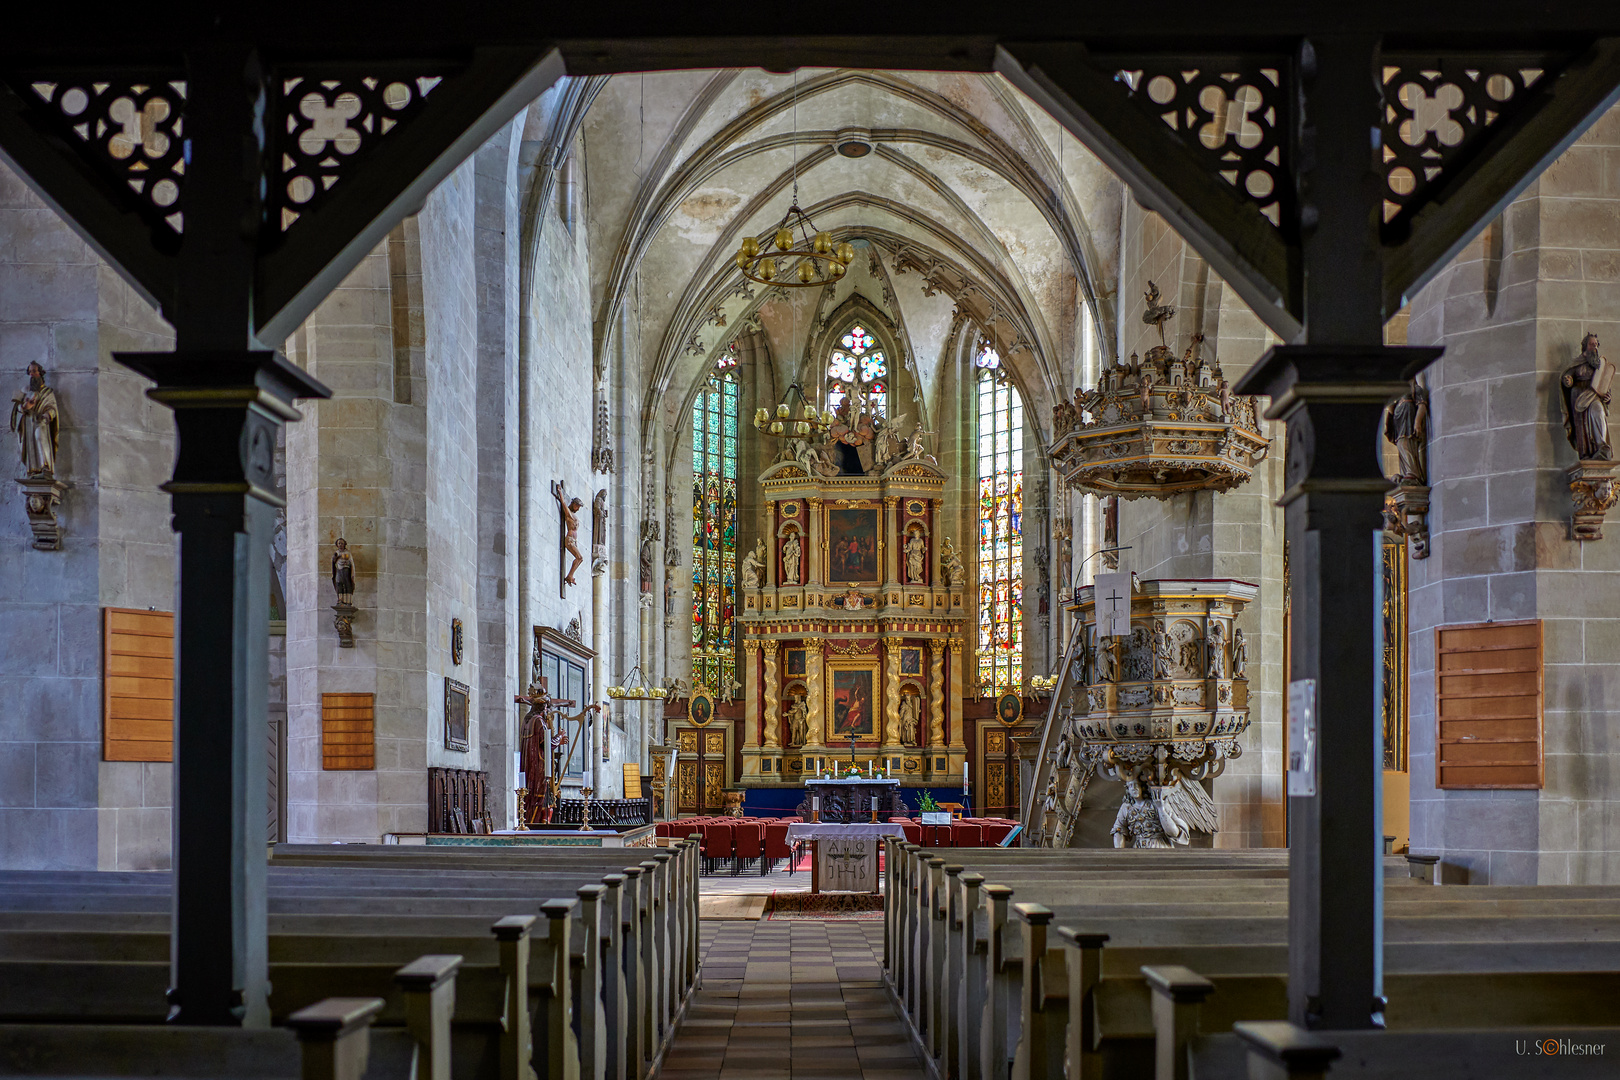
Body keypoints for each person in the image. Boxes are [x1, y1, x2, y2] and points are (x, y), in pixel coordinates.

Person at [1562, 333, 1613, 460]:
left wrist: (1607, 397)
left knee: (1599, 412)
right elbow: (1568, 375)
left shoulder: (1598, 364)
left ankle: (1602, 447)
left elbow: (1604, 381)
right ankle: (1585, 453)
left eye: (1596, 344)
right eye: (1591, 344)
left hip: (1594, 395)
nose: (1594, 347)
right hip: (1579, 396)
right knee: (1582, 425)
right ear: (1585, 346)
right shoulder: (1577, 362)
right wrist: (1568, 380)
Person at [10, 361, 59, 477]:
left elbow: (52, 408)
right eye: (30, 372)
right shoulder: (25, 390)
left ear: (40, 373)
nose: (32, 374)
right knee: (31, 443)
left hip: (41, 422)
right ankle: (33, 470)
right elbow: (16, 408)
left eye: (34, 371)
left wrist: (47, 415)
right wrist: (23, 407)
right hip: (28, 422)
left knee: (40, 438)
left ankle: (46, 467)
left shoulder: (48, 392)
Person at [553, 484, 585, 586]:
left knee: (580, 558)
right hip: (569, 539)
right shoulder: (569, 514)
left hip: (573, 541)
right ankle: (570, 576)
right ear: (573, 504)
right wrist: (560, 492)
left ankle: (570, 575)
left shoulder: (573, 514)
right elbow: (563, 503)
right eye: (577, 506)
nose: (578, 509)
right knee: (579, 558)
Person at [331, 538, 356, 604]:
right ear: (337, 545)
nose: (340, 545)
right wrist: (335, 558)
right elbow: (334, 562)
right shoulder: (336, 553)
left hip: (346, 570)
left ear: (344, 544)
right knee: (339, 583)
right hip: (339, 570)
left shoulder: (348, 553)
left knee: (347, 584)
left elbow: (351, 562)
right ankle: (340, 599)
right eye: (339, 543)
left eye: (342, 543)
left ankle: (348, 600)